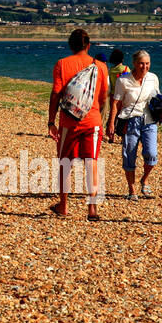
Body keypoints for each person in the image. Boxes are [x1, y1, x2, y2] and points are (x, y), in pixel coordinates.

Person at [47, 28, 108, 221]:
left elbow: (56, 94)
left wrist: (51, 121)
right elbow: (103, 96)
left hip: (68, 122)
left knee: (65, 163)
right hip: (93, 120)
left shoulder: (62, 64)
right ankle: (92, 209)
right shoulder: (100, 66)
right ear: (88, 45)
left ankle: (63, 205)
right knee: (92, 163)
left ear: (70, 45)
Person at [107, 50, 159, 200]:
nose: (144, 66)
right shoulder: (123, 80)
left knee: (151, 153)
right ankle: (132, 190)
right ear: (134, 64)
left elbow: (157, 99)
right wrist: (111, 123)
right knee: (129, 154)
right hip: (130, 121)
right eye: (141, 63)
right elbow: (115, 103)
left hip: (149, 120)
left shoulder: (153, 78)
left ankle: (145, 179)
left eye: (147, 63)